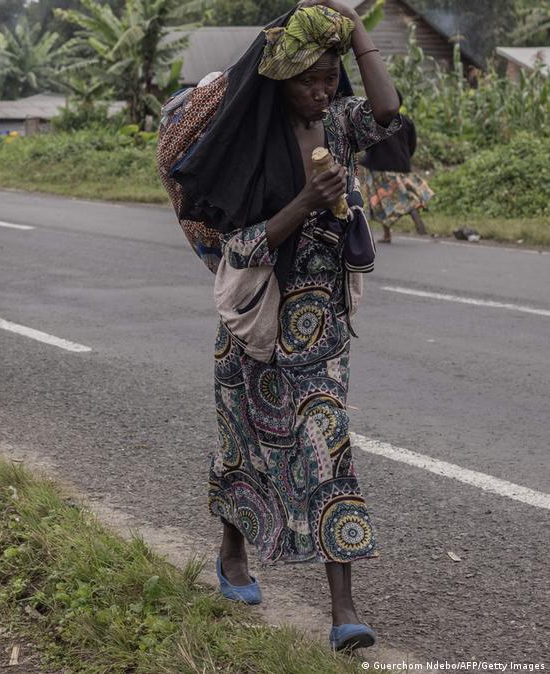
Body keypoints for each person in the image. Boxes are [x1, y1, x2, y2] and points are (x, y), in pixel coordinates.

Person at [170, 0, 400, 652]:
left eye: (329, 77)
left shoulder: (337, 121)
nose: (321, 90)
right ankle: (231, 553)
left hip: (319, 318)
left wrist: (356, 32)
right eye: (308, 80)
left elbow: (385, 113)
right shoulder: (249, 139)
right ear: (279, 82)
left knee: (326, 450)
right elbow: (237, 245)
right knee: (245, 444)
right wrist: (306, 201)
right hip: (255, 320)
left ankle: (342, 611)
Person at [358, 113, 432, 243]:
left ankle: (388, 233)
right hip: (400, 164)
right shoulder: (406, 121)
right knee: (402, 193)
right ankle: (413, 212)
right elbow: (412, 143)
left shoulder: (376, 120)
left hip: (378, 164)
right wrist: (405, 157)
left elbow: (367, 142)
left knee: (382, 199)